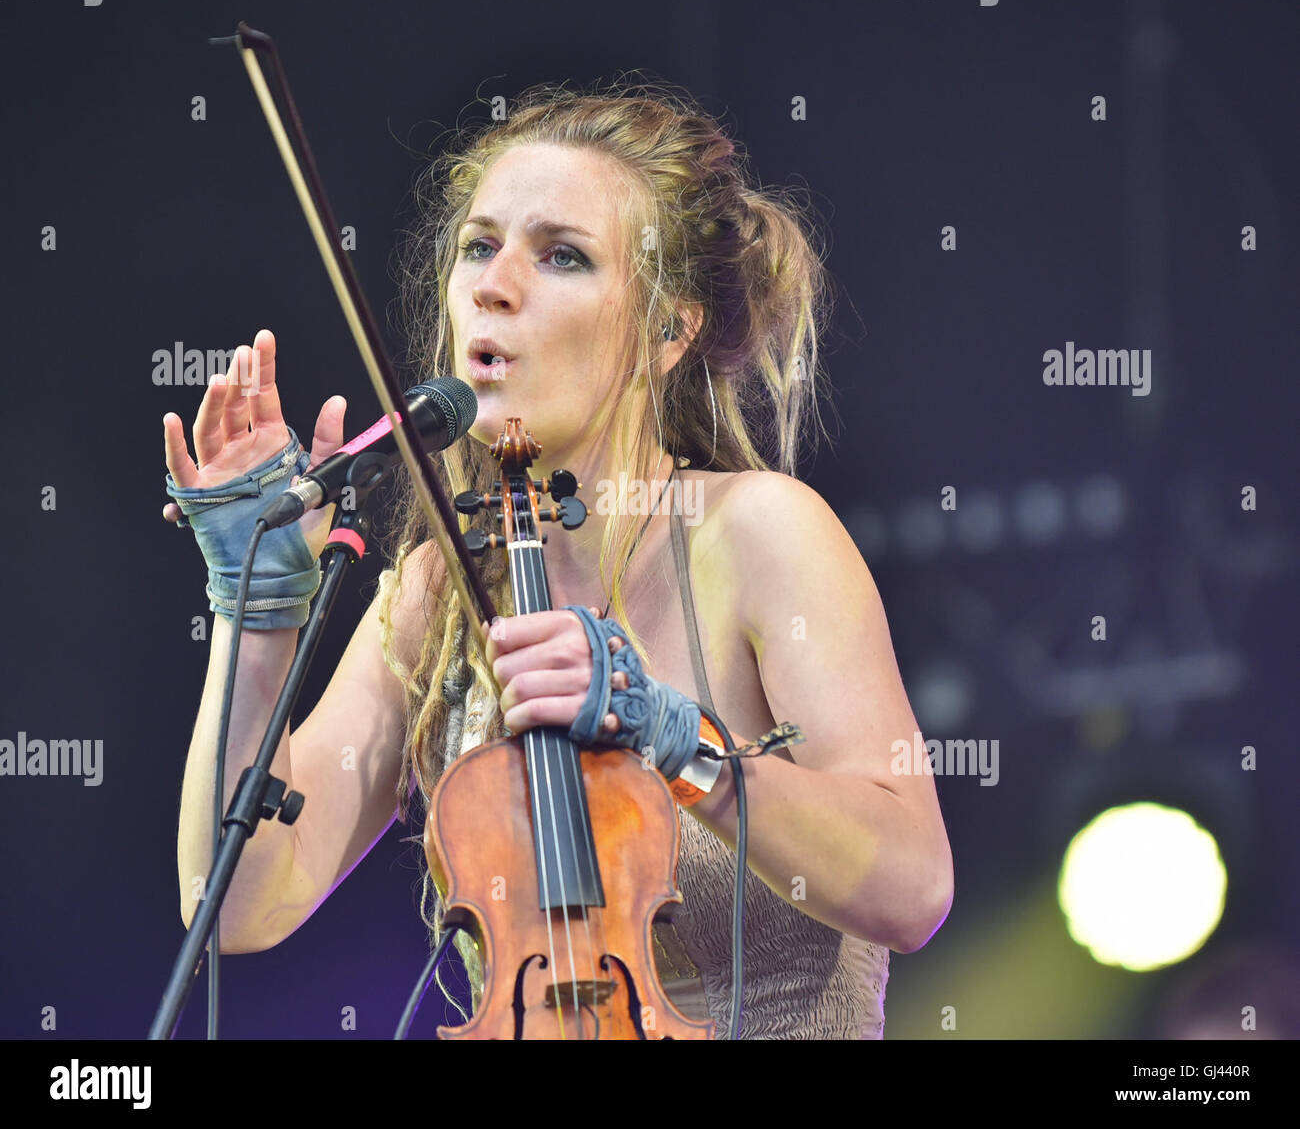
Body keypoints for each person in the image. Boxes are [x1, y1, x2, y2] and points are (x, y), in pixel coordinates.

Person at [164, 81, 953, 1039]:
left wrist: (677, 740)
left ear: (668, 331)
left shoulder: (758, 533)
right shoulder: (435, 593)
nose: (496, 286)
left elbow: (912, 890)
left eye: (564, 256)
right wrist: (261, 613)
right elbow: (238, 907)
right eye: (480, 247)